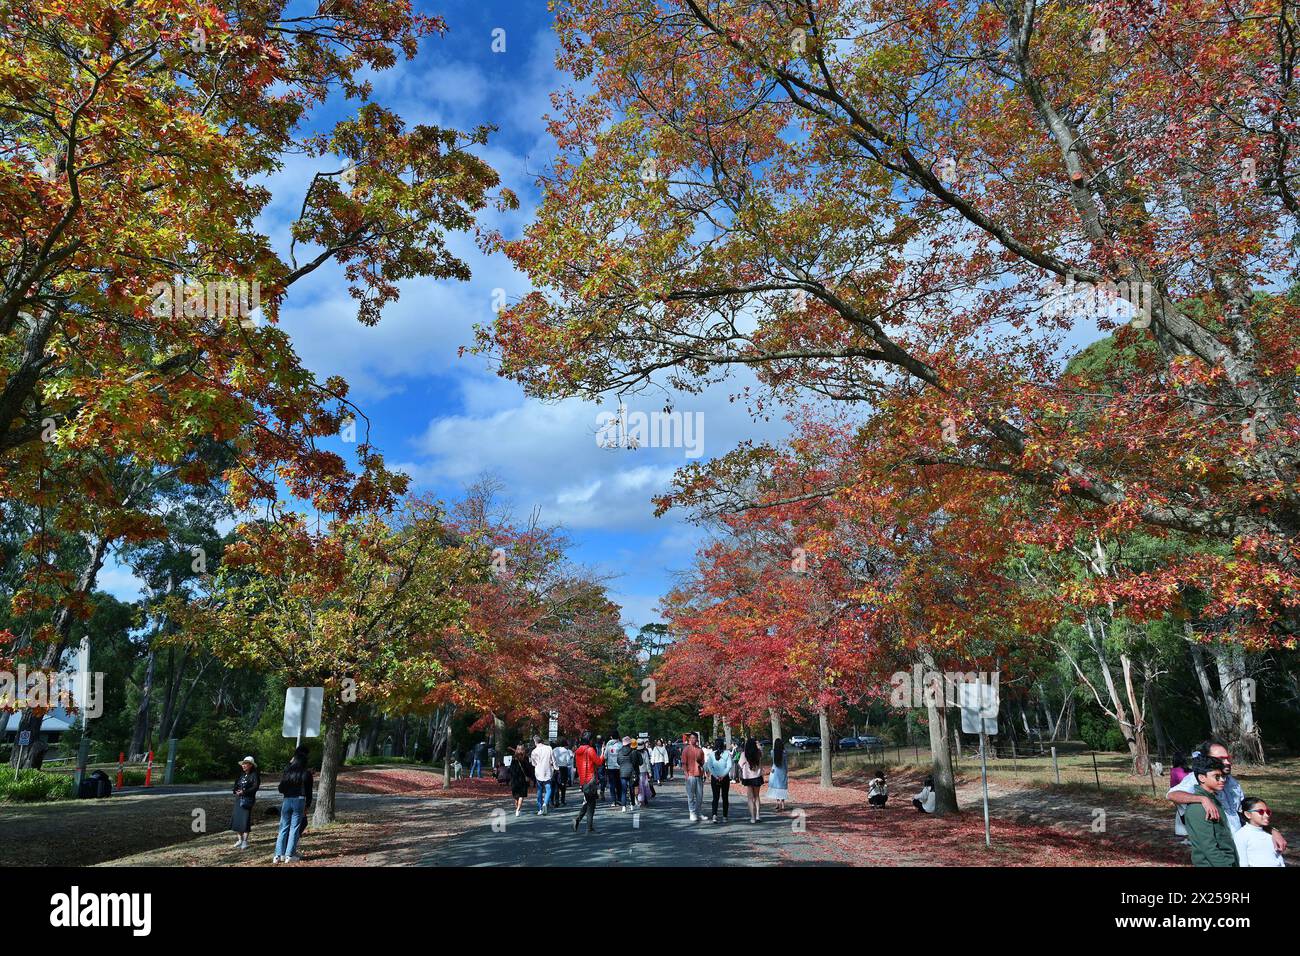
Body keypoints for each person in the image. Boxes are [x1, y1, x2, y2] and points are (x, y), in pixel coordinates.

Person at [1167, 739, 1287, 856]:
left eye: (1227, 758)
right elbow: (1172, 794)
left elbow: (1244, 813)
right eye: (1221, 759)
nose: (1227, 762)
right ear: (1207, 760)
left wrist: (1271, 831)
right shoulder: (1198, 778)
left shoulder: (1232, 782)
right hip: (1220, 852)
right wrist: (1203, 799)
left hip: (1239, 848)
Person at [1183, 753, 1239, 867]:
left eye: (1223, 776)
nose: (1222, 780)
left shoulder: (1213, 800)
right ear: (1202, 778)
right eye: (1216, 776)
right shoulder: (1198, 808)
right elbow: (1208, 848)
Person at [274, 746, 313, 864]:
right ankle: (289, 855)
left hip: (287, 800)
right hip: (299, 800)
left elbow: (280, 788)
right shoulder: (306, 774)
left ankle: (278, 855)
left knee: (283, 827)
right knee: (294, 828)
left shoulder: (288, 771)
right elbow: (309, 792)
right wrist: (307, 806)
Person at [1234, 797, 1285, 867]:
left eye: (1268, 812)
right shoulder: (1241, 835)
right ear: (1248, 814)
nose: (1266, 815)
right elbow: (1242, 863)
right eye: (1261, 812)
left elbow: (1279, 857)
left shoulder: (1270, 833)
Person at [572, 732, 604, 833]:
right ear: (589, 740)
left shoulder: (577, 752)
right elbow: (599, 762)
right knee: (591, 803)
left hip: (583, 780)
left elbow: (577, 765)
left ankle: (579, 820)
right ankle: (587, 826)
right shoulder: (590, 750)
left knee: (589, 801)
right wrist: (603, 752)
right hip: (590, 779)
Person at [230, 756, 260, 850]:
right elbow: (236, 785)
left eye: (245, 763)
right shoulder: (241, 775)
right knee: (237, 820)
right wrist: (236, 791)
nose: (243, 765)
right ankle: (239, 840)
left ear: (251, 765)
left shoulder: (254, 775)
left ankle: (245, 841)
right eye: (243, 764)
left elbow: (255, 787)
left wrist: (244, 792)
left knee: (245, 820)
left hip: (247, 800)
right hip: (239, 799)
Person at [704, 737, 733, 823]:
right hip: (725, 778)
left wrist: (716, 776)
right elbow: (729, 766)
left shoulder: (712, 754)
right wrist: (723, 775)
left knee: (715, 797)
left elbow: (710, 766)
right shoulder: (727, 754)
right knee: (725, 797)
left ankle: (714, 815)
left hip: (715, 778)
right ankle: (725, 816)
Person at [738, 737, 764, 823]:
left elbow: (740, 765)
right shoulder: (759, 753)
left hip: (748, 778)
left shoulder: (744, 754)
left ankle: (752, 817)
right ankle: (758, 816)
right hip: (757, 776)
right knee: (757, 796)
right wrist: (759, 746)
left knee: (750, 798)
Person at [681, 732, 706, 822]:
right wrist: (686, 774)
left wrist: (703, 769)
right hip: (690, 775)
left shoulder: (700, 750)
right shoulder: (686, 750)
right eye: (691, 738)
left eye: (694, 738)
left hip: (699, 774)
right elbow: (683, 763)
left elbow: (703, 762)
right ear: (689, 739)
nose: (692, 739)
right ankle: (692, 812)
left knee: (700, 796)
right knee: (690, 795)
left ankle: (698, 812)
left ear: (697, 739)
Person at [530, 735, 555, 815]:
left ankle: (540, 809)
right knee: (549, 789)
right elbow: (553, 759)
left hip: (539, 772)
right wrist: (556, 767)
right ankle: (545, 802)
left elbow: (534, 764)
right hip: (547, 771)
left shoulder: (534, 751)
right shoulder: (549, 748)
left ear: (535, 742)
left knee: (539, 790)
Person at [1170, 752, 1190, 839]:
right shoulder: (1190, 771)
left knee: (1180, 814)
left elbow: (1173, 786)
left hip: (1181, 795)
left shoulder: (1174, 771)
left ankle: (1181, 832)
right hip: (1191, 795)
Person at [617, 736, 640, 810]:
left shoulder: (619, 751)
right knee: (631, 789)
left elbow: (618, 762)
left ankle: (623, 806)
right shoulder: (632, 751)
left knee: (623, 790)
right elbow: (634, 762)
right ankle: (632, 805)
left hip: (622, 772)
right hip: (631, 772)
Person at [767, 738, 789, 813]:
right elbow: (786, 764)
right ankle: (782, 804)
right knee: (782, 787)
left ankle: (777, 804)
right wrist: (786, 771)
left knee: (776, 787)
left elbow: (773, 761)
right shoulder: (784, 753)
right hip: (782, 771)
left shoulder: (772, 752)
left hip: (775, 771)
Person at [552, 738, 574, 807]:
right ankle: (562, 800)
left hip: (555, 768)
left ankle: (556, 801)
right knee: (563, 786)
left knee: (556, 786)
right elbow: (568, 762)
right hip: (563, 769)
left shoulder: (554, 750)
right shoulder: (566, 751)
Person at [604, 734, 624, 808]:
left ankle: (613, 801)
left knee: (612, 784)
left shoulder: (608, 745)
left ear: (611, 736)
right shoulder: (620, 745)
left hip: (610, 767)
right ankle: (619, 799)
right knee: (619, 783)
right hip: (619, 767)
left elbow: (605, 756)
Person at [509, 745, 529, 815]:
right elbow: (528, 769)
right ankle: (518, 809)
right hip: (523, 779)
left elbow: (511, 770)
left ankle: (517, 806)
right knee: (521, 795)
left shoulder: (514, 758)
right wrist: (529, 776)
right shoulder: (526, 758)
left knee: (516, 795)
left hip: (515, 779)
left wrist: (510, 778)